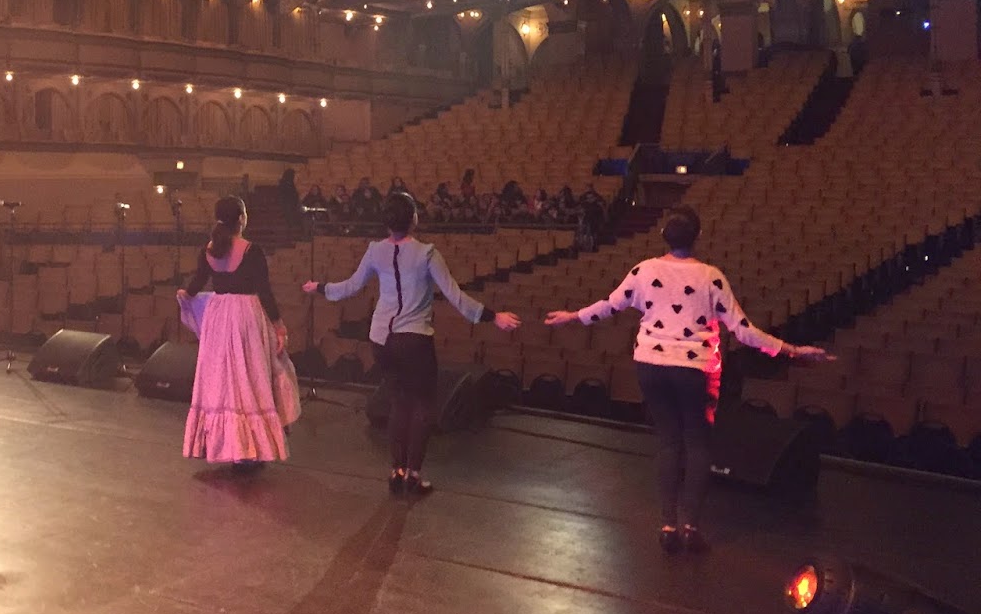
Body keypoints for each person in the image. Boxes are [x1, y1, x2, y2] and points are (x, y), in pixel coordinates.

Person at [544, 206, 832, 553]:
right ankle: (690, 528)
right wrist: (792, 350)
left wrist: (574, 316)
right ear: (697, 236)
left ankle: (667, 526)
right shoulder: (710, 276)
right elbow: (743, 331)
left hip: (650, 364)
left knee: (668, 442)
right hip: (694, 370)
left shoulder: (645, 269)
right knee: (697, 444)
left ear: (664, 236)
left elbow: (610, 305)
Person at [304, 193, 519, 495]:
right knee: (421, 407)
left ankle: (396, 470)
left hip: (381, 340)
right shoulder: (427, 253)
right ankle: (413, 475)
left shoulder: (375, 251)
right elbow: (455, 296)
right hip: (414, 340)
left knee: (398, 402)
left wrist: (320, 287)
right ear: (414, 218)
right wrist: (492, 316)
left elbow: (349, 287)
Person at [177, 196, 300, 468]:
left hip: (219, 316)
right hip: (246, 315)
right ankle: (250, 446)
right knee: (250, 377)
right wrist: (278, 323)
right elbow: (265, 291)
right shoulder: (251, 250)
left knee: (224, 380)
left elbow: (197, 282)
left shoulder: (209, 250)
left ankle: (226, 444)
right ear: (242, 218)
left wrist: (187, 295)